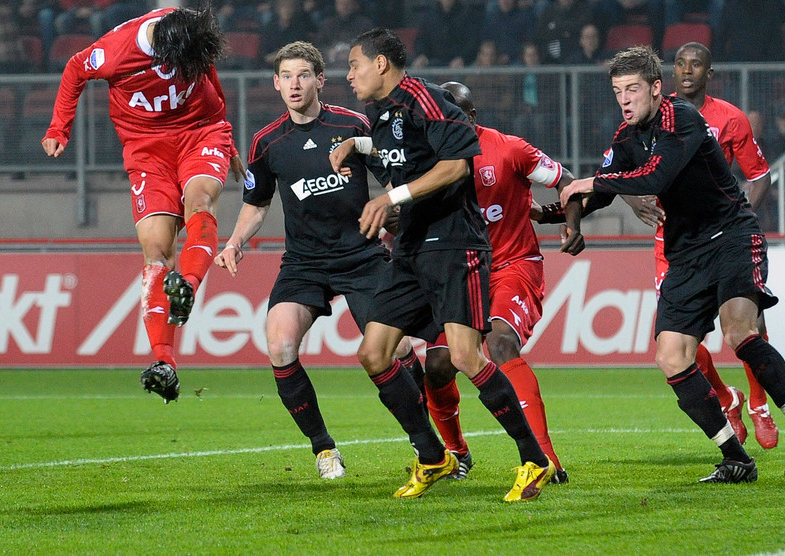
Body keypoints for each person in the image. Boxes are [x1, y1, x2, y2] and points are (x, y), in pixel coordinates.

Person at [560, 45, 785, 484]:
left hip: (730, 236)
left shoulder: (681, 118)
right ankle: (735, 458)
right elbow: (601, 193)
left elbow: (655, 178)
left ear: (656, 88)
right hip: (685, 253)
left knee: (739, 331)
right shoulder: (627, 137)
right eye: (617, 91)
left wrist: (588, 182)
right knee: (671, 357)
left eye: (632, 89)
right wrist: (559, 216)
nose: (624, 100)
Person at [326, 29, 554, 501]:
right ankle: (433, 456)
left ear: (382, 64)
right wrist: (360, 148)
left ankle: (534, 460)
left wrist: (390, 197)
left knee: (467, 356)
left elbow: (456, 164)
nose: (348, 75)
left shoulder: (425, 98)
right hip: (411, 248)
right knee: (374, 353)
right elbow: (404, 156)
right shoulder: (382, 113)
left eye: (354, 65)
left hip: (453, 244)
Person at [214, 41, 428, 480]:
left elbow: (393, 177)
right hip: (304, 263)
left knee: (399, 347)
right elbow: (257, 203)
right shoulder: (267, 142)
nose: (294, 84)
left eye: (303, 75)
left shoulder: (353, 125)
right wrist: (234, 241)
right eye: (286, 77)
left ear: (319, 80)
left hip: (362, 255)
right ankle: (324, 449)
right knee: (279, 345)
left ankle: (426, 438)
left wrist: (398, 214)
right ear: (276, 84)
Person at [42, 7, 242, 403]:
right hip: (146, 149)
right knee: (156, 251)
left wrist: (227, 138)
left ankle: (188, 286)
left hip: (199, 132)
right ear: (163, 57)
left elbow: (209, 78)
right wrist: (58, 128)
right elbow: (75, 68)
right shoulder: (114, 53)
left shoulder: (187, 30)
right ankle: (165, 362)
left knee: (200, 200)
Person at [422, 80, 580, 484]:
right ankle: (456, 454)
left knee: (500, 342)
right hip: (460, 272)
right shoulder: (426, 160)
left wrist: (571, 224)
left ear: (471, 117)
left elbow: (566, 180)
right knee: (437, 365)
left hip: (512, 264)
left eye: (454, 115)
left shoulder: (509, 149)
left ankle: (545, 459)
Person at [636, 43, 779, 449]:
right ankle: (725, 396)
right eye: (680, 63)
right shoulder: (654, 116)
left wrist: (738, 224)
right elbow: (624, 167)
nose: (687, 70)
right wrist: (634, 198)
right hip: (673, 241)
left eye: (696, 64)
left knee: (748, 325)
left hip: (722, 240)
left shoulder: (730, 118)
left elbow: (759, 177)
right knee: (677, 338)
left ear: (709, 73)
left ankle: (759, 403)